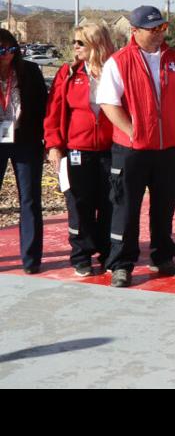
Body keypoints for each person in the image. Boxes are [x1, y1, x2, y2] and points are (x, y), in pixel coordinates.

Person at [97, 5, 175, 288]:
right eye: (153, 29)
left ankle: (163, 257)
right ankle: (121, 264)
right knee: (126, 208)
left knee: (164, 206)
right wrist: (131, 132)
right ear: (135, 31)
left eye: (162, 27)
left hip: (167, 149)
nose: (159, 33)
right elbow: (108, 103)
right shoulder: (119, 61)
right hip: (131, 150)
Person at [44, 22, 116, 277]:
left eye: (80, 42)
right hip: (77, 150)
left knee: (109, 203)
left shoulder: (115, 71)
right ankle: (81, 255)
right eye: (74, 42)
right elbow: (53, 112)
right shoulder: (69, 73)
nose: (75, 47)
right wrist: (54, 146)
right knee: (79, 204)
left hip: (110, 150)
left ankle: (108, 253)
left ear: (97, 44)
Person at [0, 29, 48, 274]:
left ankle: (31, 259)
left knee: (29, 199)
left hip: (26, 141)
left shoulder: (29, 71)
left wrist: (47, 140)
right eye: (1, 50)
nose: (7, 55)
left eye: (11, 49)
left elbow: (43, 106)